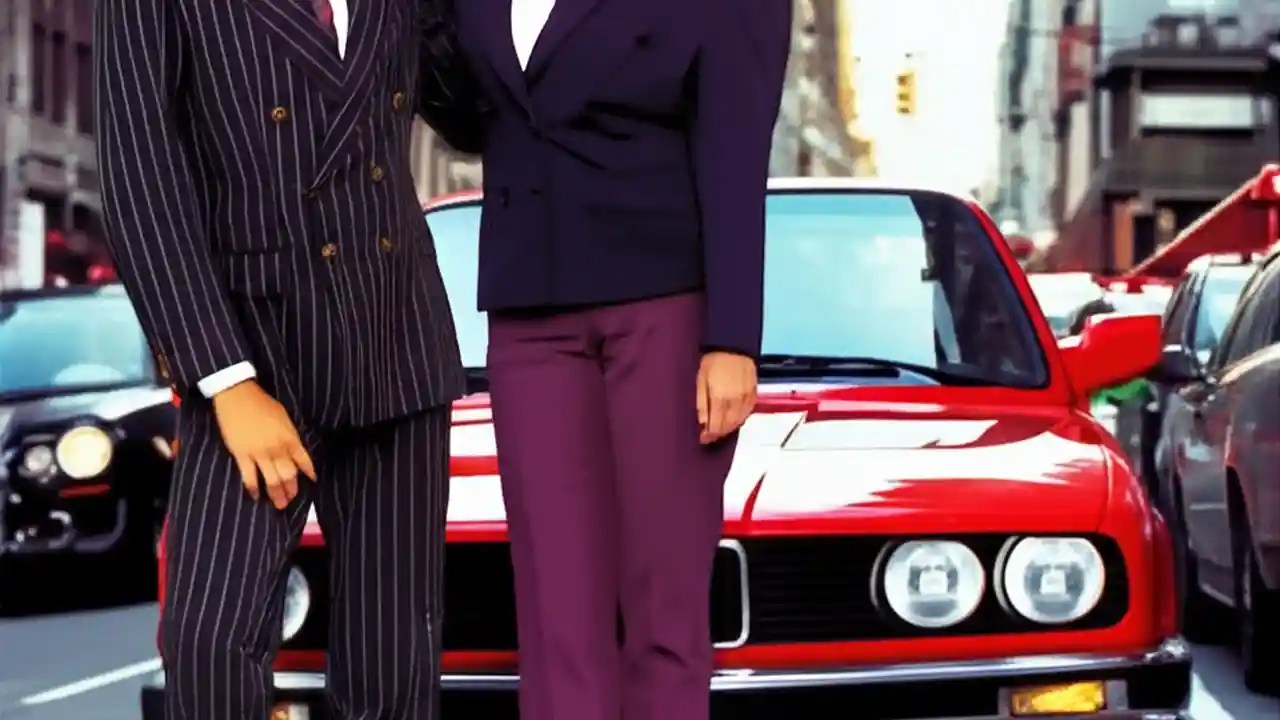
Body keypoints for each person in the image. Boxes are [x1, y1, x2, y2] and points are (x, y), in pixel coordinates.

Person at [94, 0, 481, 717]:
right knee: (210, 643)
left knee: (392, 664)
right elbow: (139, 176)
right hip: (250, 349)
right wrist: (227, 379)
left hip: (395, 333)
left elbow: (469, 118)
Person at [453, 2, 791, 719]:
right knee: (555, 615)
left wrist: (732, 338)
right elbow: (461, 108)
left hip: (664, 305)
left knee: (662, 608)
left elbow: (735, 147)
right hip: (527, 311)